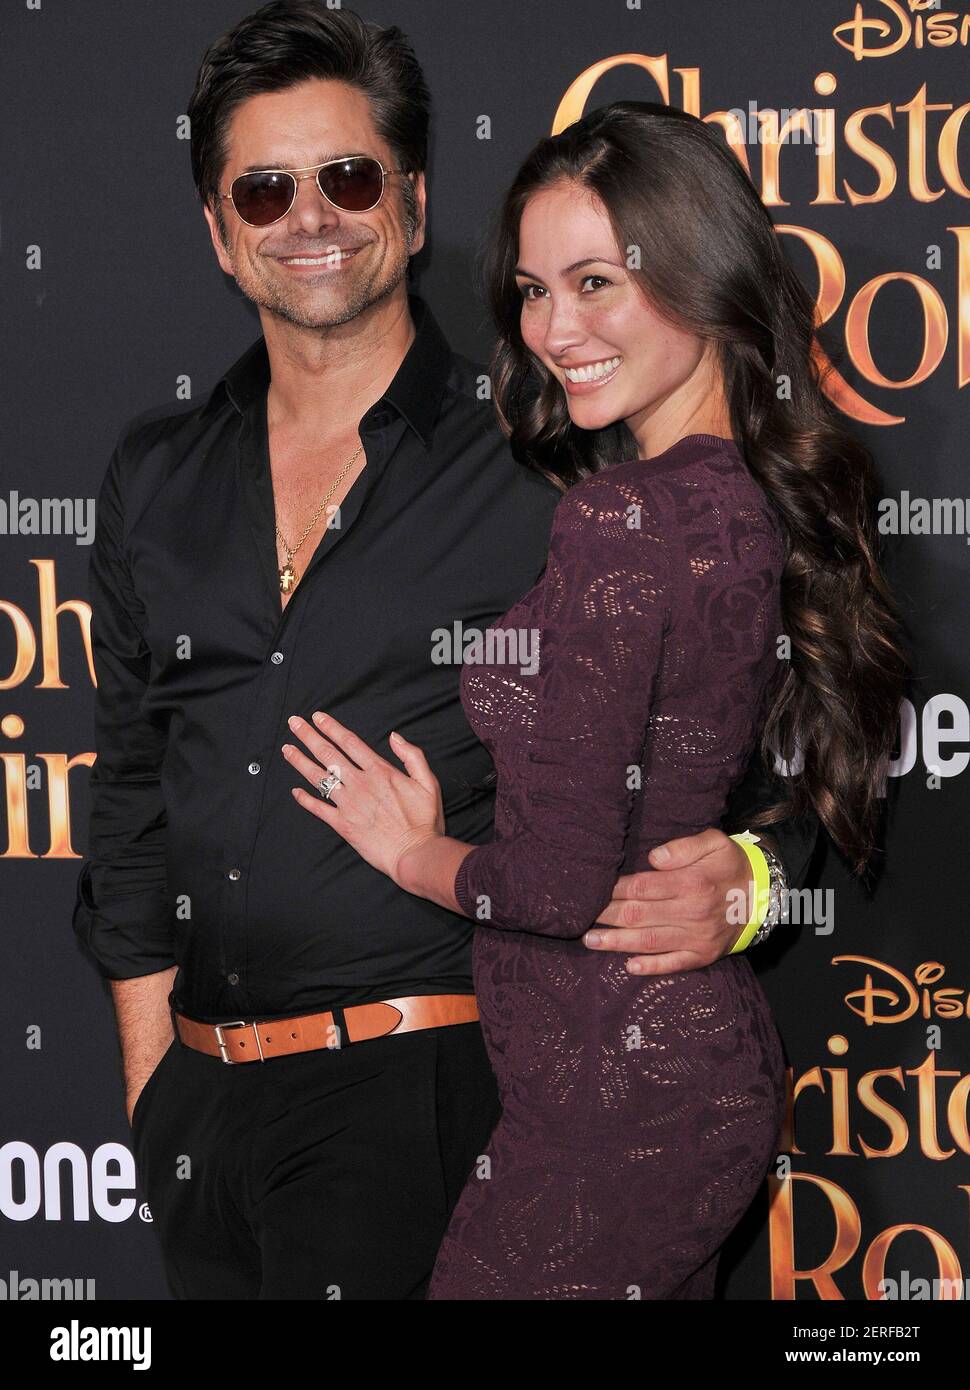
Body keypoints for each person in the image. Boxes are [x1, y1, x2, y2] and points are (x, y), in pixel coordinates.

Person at [74, 3, 817, 1301]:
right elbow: (131, 790)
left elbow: (788, 739)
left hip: (436, 1107)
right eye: (265, 189)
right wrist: (154, 1086)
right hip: (205, 1127)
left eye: (348, 177)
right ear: (218, 231)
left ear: (411, 207)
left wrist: (748, 879)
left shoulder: (555, 462)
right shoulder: (153, 478)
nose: (311, 216)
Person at [283, 99, 909, 1299]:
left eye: (595, 283)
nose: (553, 328)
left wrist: (413, 851)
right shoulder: (736, 500)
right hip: (655, 1083)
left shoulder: (620, 518)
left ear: (702, 277)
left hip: (614, 1100)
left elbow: (561, 887)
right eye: (529, 290)